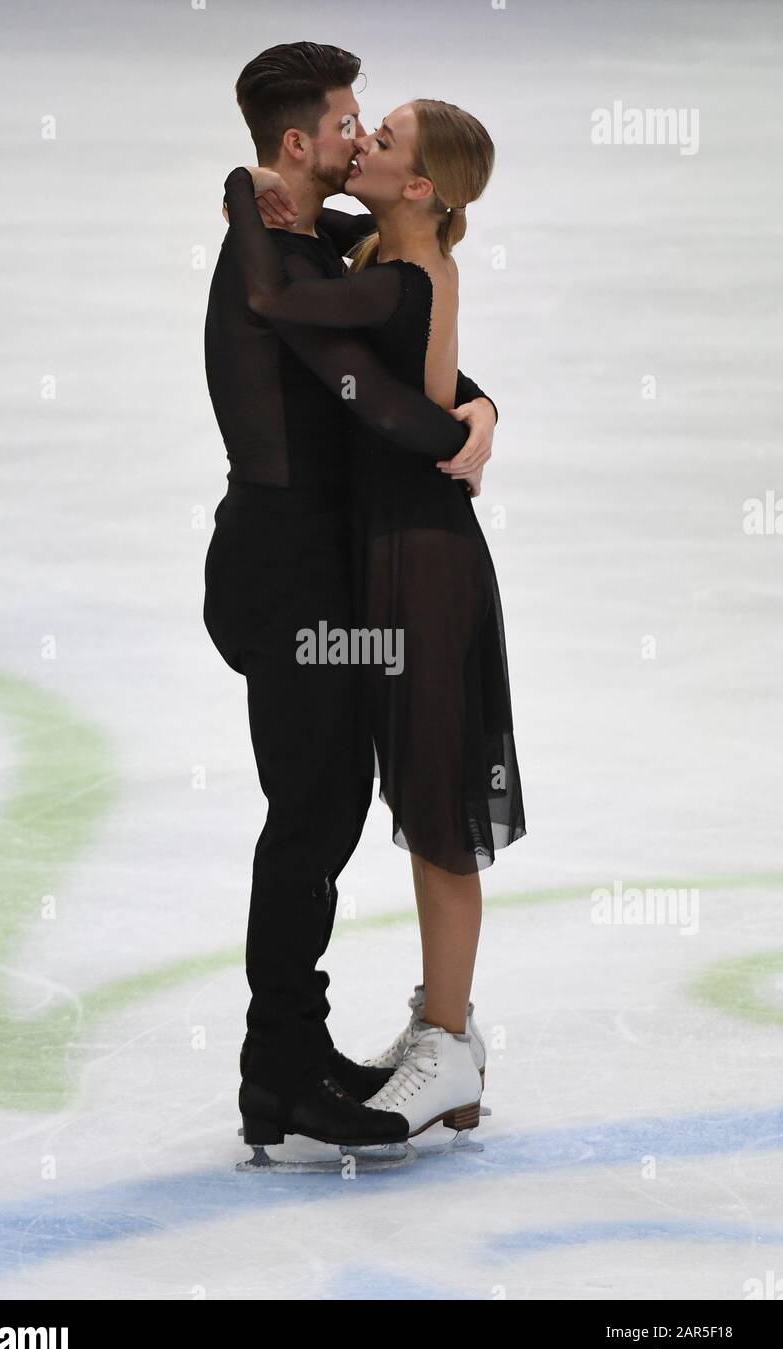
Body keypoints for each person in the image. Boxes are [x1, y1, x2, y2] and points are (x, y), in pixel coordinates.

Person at [204, 43, 498, 1150]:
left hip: (315, 575)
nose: (357, 136)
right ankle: (276, 1070)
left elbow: (397, 318)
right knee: (312, 818)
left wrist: (482, 408)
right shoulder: (266, 263)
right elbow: (379, 398)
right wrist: (454, 437)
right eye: (347, 124)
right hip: (285, 583)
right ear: (298, 143)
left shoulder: (319, 241)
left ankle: (291, 1051)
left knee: (321, 812)